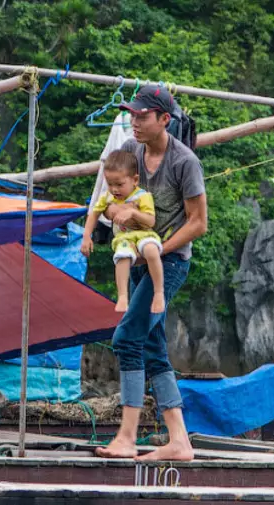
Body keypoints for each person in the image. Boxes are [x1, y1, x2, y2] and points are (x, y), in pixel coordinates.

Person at [93, 84, 208, 463]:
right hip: (137, 260)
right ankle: (179, 441)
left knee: (126, 337)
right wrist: (114, 213)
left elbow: (198, 224)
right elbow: (110, 200)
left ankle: (126, 436)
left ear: (164, 119)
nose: (134, 121)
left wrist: (157, 248)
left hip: (169, 262)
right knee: (154, 349)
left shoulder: (184, 161)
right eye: (132, 115)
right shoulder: (131, 157)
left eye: (142, 116)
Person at [81, 151, 162, 313]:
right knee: (122, 255)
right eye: (110, 184)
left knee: (152, 250)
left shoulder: (142, 196)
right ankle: (123, 296)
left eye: (119, 184)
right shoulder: (107, 198)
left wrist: (133, 213)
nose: (114, 189)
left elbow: (150, 221)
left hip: (144, 235)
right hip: (124, 237)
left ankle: (159, 292)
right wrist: (86, 236)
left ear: (135, 180)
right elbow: (94, 213)